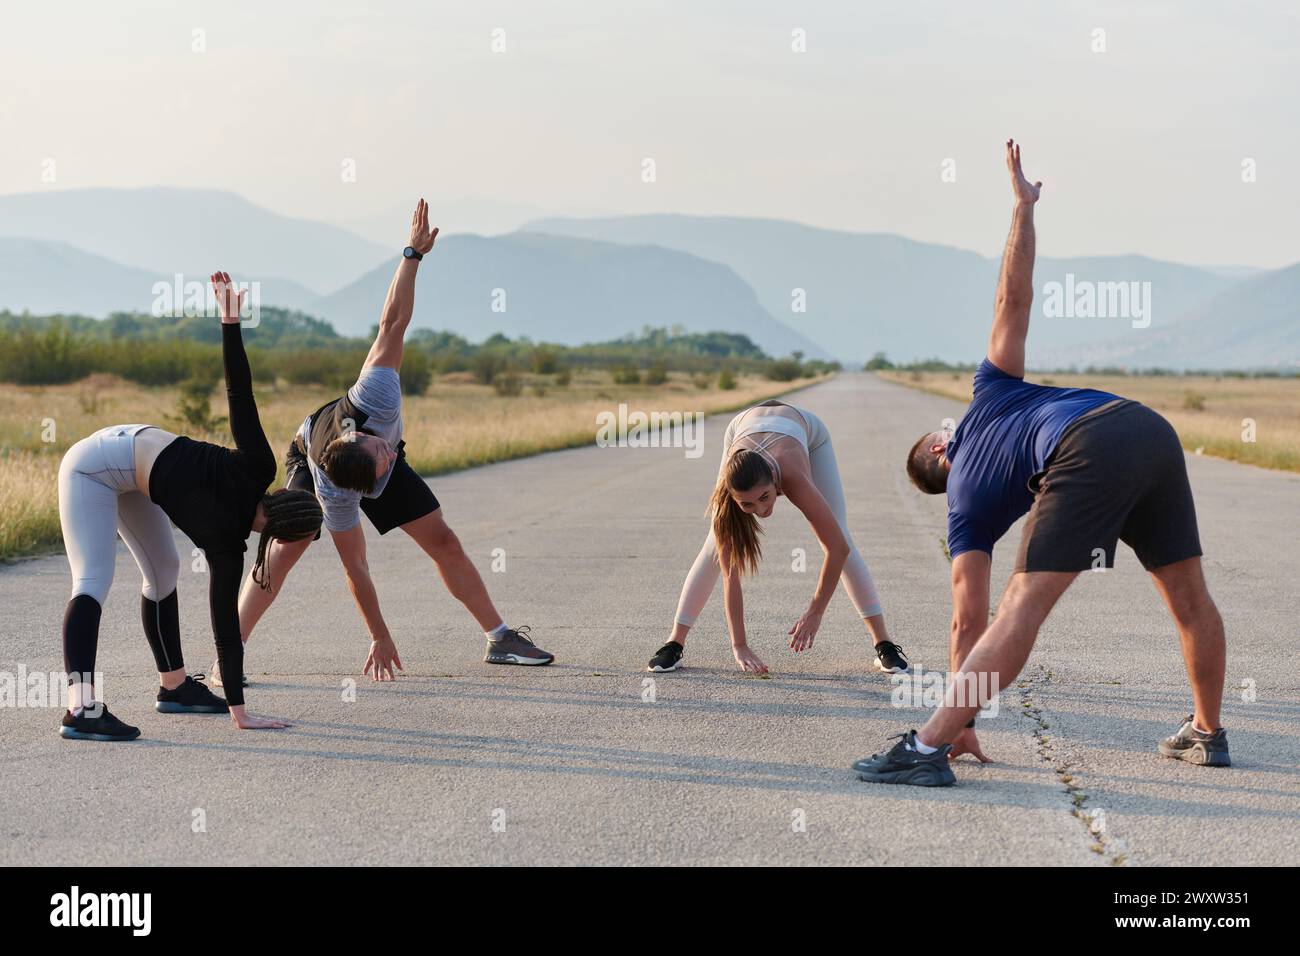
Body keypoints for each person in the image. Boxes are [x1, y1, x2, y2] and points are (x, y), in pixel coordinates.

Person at [854, 141, 1228, 787]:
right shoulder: (990, 391)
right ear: (942, 448)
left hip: (1086, 449)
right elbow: (1013, 302)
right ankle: (1207, 732)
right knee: (1189, 595)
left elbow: (967, 619)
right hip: (1144, 426)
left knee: (1020, 606)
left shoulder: (967, 509)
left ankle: (926, 749)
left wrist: (961, 714)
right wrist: (1022, 209)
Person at [232, 200, 553, 681]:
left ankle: (500, 638)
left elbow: (392, 323)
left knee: (443, 539)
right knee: (287, 545)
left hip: (345, 440)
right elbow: (356, 568)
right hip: (307, 455)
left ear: (366, 438)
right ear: (359, 487)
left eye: (385, 452)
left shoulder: (376, 397)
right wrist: (379, 634)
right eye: (386, 460)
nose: (392, 454)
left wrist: (412, 255)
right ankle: (228, 651)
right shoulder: (336, 493)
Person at [57, 272, 323, 741]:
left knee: (164, 570)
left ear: (282, 496)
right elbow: (225, 627)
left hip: (130, 463)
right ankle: (81, 709)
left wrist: (230, 321)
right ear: (277, 535)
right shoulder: (228, 546)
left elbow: (240, 393)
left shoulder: (255, 478)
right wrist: (241, 712)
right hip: (90, 468)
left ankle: (175, 687)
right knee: (93, 580)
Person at [648, 399, 905, 675]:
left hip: (806, 431)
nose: (761, 510)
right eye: (747, 504)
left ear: (775, 480)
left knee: (841, 536)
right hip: (742, 426)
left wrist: (815, 612)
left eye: (765, 497)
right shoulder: (727, 494)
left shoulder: (792, 475)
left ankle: (884, 643)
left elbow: (837, 550)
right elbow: (730, 575)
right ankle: (674, 643)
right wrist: (739, 645)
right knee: (713, 546)